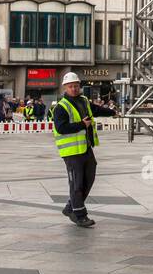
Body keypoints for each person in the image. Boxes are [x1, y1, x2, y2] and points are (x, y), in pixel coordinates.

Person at [50, 71, 116, 228]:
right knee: (76, 183)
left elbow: (96, 110)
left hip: (85, 147)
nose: (74, 88)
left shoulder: (84, 100)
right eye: (71, 86)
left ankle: (69, 207)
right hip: (71, 152)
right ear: (65, 87)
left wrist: (112, 112)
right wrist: (81, 125)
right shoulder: (61, 107)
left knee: (89, 179)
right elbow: (61, 128)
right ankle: (79, 215)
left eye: (76, 86)